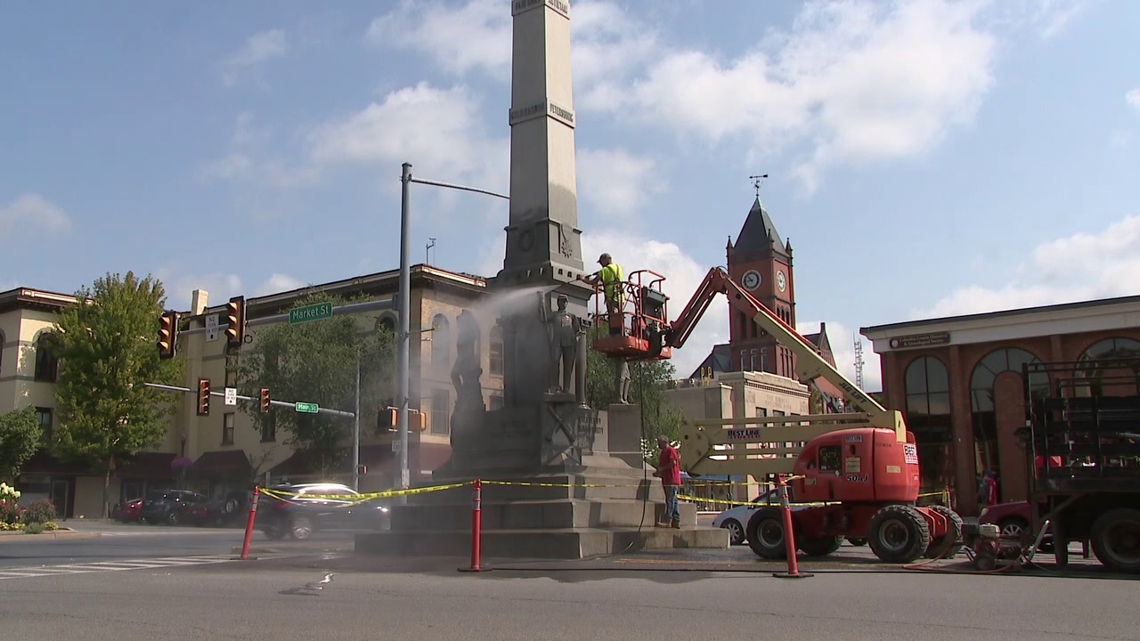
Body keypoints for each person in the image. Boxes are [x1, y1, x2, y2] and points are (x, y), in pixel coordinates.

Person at [583, 253, 626, 336]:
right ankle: (622, 333)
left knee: (613, 317)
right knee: (619, 316)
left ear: (606, 260)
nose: (601, 265)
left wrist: (583, 279)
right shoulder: (619, 267)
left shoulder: (604, 270)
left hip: (611, 298)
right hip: (621, 297)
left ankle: (615, 335)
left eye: (601, 262)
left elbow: (594, 281)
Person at [547, 294, 581, 393]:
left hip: (569, 343)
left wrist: (577, 338)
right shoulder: (554, 315)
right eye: (562, 301)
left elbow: (578, 330)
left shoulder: (571, 316)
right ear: (558, 302)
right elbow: (543, 318)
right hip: (557, 342)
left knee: (568, 366)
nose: (564, 303)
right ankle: (555, 385)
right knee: (554, 362)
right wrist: (541, 303)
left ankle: (566, 388)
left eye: (565, 301)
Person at [652, 435, 682, 529]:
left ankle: (667, 520)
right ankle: (676, 520)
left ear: (664, 442)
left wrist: (662, 469)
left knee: (670, 500)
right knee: (674, 500)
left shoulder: (670, 450)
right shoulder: (663, 453)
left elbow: (672, 463)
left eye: (659, 442)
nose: (658, 445)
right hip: (666, 479)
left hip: (672, 479)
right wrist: (659, 473)